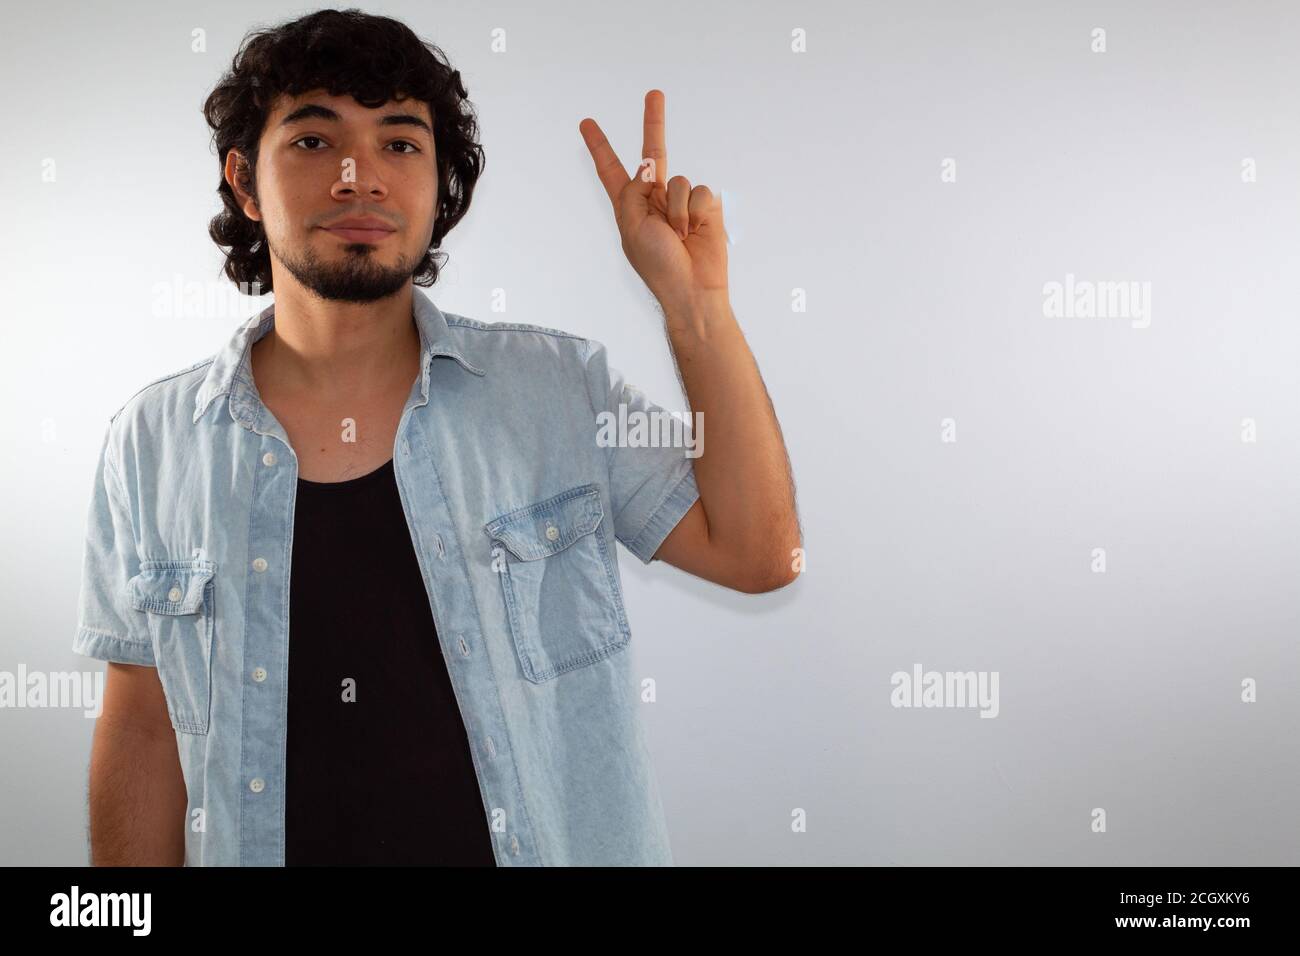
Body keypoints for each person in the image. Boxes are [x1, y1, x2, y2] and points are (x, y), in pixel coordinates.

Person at [74, 8, 800, 867]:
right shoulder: (150, 445)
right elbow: (143, 731)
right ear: (243, 181)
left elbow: (759, 553)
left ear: (439, 184)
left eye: (400, 143)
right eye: (313, 141)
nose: (359, 176)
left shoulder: (556, 391)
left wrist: (694, 304)